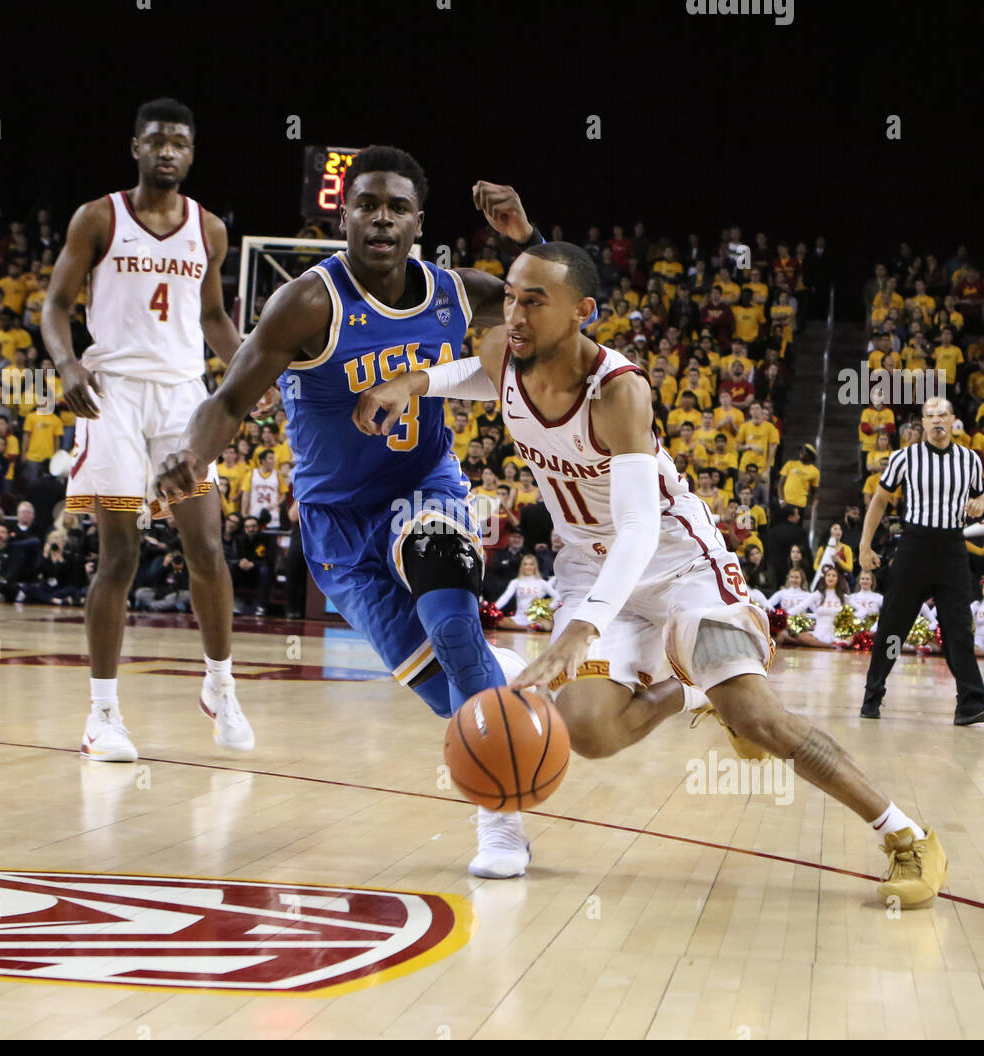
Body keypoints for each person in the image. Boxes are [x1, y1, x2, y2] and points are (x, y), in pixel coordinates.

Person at [357, 241, 949, 907]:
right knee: (590, 733)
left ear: (582, 312)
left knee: (756, 717)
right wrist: (414, 382)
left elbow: (639, 531)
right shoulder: (504, 354)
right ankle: (691, 689)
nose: (513, 315)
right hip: (588, 563)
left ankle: (904, 833)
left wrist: (580, 631)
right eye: (511, 298)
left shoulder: (618, 392)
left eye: (533, 301)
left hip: (675, 563)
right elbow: (472, 372)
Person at [156, 148, 535, 877]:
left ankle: (501, 822)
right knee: (445, 691)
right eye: (367, 204)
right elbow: (232, 399)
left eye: (397, 206)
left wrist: (523, 239)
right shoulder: (306, 302)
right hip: (336, 527)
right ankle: (500, 677)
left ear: (419, 221)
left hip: (426, 486)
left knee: (452, 622)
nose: (382, 218)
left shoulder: (455, 292)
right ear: (344, 214)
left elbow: (563, 305)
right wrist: (192, 457)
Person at [42, 97, 251, 761]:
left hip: (183, 399)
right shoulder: (99, 217)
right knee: (121, 554)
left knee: (208, 547)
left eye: (180, 144)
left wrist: (250, 373)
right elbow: (53, 306)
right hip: (113, 397)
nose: (168, 152)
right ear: (135, 146)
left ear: (191, 154)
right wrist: (67, 361)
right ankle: (102, 715)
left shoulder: (209, 230)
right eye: (157, 141)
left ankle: (221, 685)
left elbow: (215, 317)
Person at [859, 397, 984, 725]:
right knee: (894, 627)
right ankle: (872, 694)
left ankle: (970, 704)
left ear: (952, 420)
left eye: (943, 415)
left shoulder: (970, 460)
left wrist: (978, 503)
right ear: (922, 422)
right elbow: (879, 502)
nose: (937, 421)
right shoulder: (904, 458)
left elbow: (978, 496)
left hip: (952, 548)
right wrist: (864, 545)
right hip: (914, 547)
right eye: (931, 416)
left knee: (959, 627)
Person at [493, 555, 560, 630]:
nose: (528, 567)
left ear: (535, 566)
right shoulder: (516, 582)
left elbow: (558, 598)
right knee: (499, 621)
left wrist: (548, 609)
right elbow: (506, 596)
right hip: (519, 617)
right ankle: (527, 628)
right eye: (525, 564)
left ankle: (532, 627)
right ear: (522, 566)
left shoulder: (541, 582)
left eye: (531, 564)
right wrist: (494, 608)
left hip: (536, 618)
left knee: (549, 625)